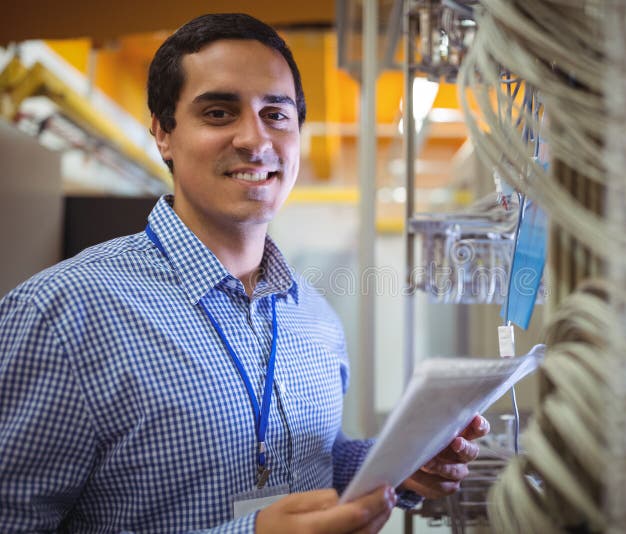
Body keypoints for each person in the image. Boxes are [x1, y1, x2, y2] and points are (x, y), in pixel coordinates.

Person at [0, 12, 489, 534]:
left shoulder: (314, 316)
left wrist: (398, 465)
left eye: (276, 114)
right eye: (218, 112)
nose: (255, 140)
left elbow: (318, 459)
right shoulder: (60, 314)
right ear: (164, 133)